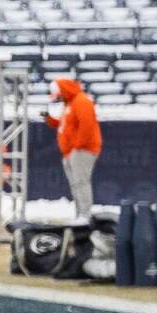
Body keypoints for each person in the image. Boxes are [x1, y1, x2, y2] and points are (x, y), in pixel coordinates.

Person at [51, 72, 103, 222]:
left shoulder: (81, 101)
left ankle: (85, 215)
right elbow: (64, 125)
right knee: (75, 184)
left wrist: (78, 145)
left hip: (82, 150)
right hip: (71, 151)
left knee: (81, 182)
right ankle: (80, 214)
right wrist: (49, 118)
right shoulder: (70, 103)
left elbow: (86, 125)